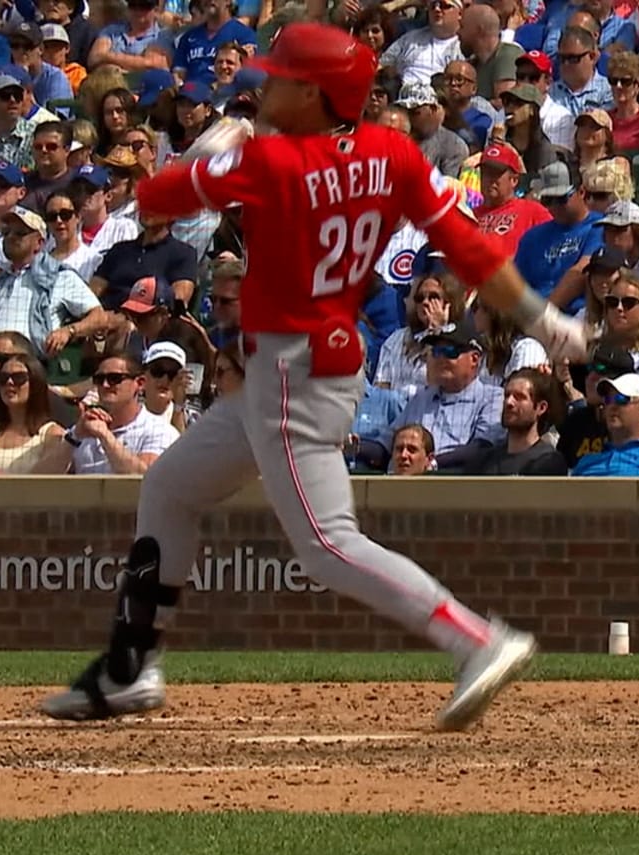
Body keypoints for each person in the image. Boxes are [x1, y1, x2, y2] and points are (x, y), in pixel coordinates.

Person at [40, 24, 587, 731]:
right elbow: (472, 251)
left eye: (281, 80)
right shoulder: (393, 153)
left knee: (327, 544)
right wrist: (546, 321)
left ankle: (478, 639)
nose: (265, 87)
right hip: (309, 362)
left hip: (293, 370)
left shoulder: (275, 161)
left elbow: (155, 203)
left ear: (316, 92)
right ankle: (128, 666)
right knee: (169, 489)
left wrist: (210, 152)